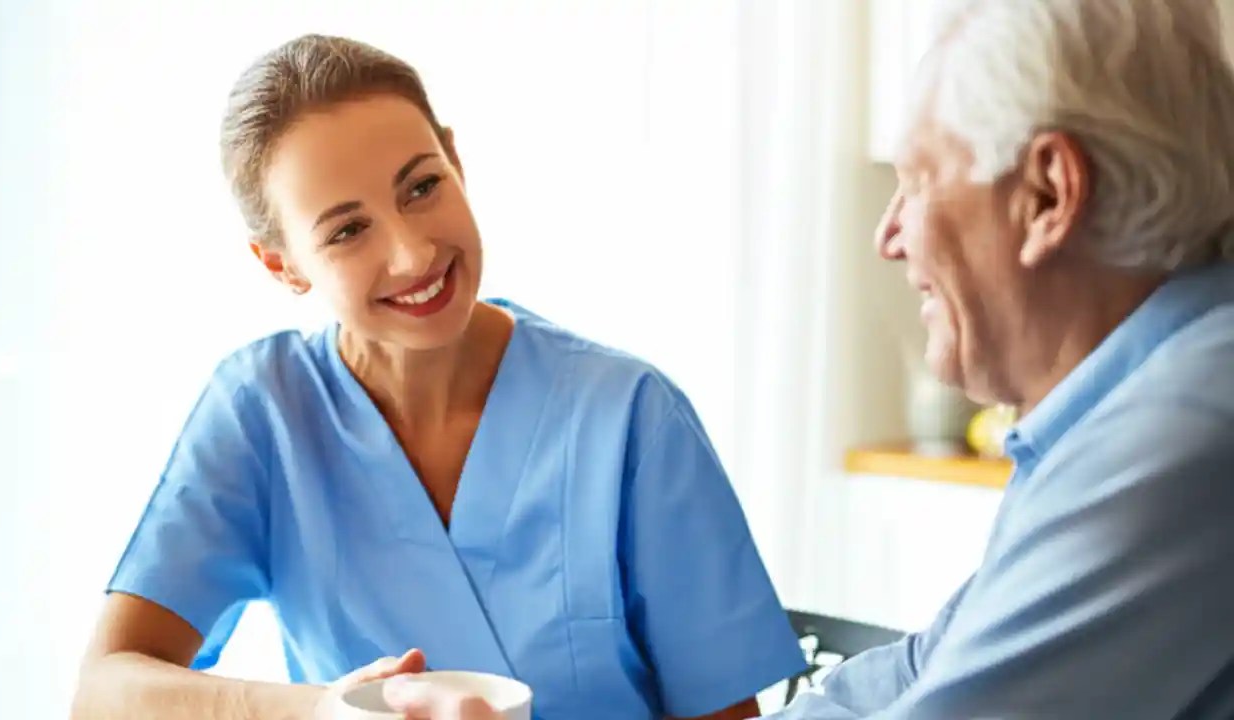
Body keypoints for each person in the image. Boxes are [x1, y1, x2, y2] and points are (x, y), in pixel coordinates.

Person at [382, 0, 1234, 717]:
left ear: (1047, 194)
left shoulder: (1186, 431)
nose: (888, 234)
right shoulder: (1129, 410)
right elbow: (918, 668)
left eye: (919, 182)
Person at [68, 34, 807, 720]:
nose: (414, 255)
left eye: (421, 187)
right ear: (282, 263)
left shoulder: (629, 417)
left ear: (454, 159)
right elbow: (104, 691)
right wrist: (327, 709)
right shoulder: (263, 414)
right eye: (348, 230)